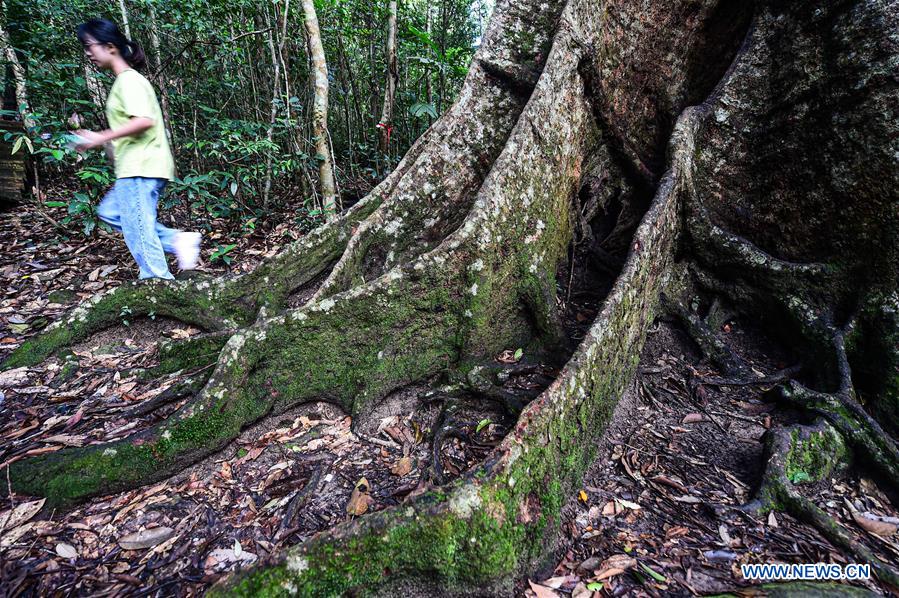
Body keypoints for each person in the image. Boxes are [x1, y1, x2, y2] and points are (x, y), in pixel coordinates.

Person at [74, 18, 200, 279]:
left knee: (138, 229)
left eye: (90, 46)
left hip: (140, 167)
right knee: (110, 213)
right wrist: (106, 144)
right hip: (136, 165)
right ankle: (177, 241)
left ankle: (156, 280)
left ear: (110, 47)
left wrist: (100, 137)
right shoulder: (125, 82)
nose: (88, 53)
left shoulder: (129, 81)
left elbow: (144, 121)